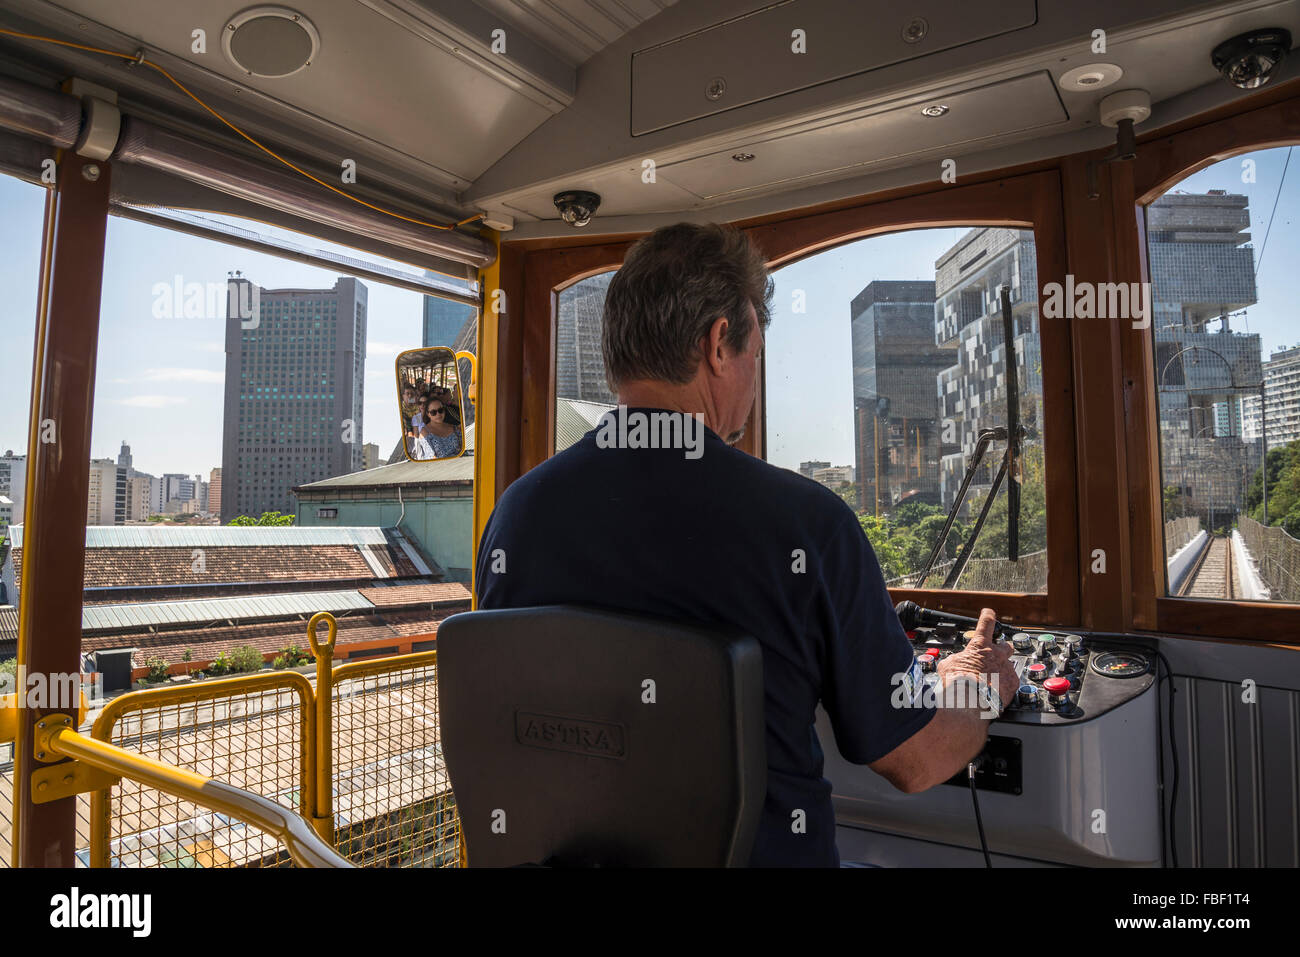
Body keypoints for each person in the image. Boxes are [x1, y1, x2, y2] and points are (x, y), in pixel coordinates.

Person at [475, 222, 1017, 867]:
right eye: (757, 352)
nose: (756, 380)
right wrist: (979, 685)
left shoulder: (516, 516)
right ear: (718, 344)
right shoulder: (805, 524)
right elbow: (916, 759)